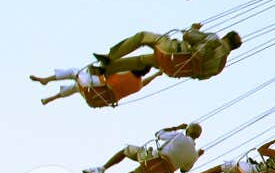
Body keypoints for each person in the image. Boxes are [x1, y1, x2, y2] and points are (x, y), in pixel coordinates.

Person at [83, 122, 203, 173]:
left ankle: (102, 169)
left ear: (187, 130)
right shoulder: (194, 155)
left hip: (151, 160)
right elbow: (183, 170)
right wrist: (198, 155)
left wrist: (176, 127)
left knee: (127, 150)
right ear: (197, 137)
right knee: (138, 172)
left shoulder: (179, 136)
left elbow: (158, 134)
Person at [94, 24, 241, 81]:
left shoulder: (214, 39)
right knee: (142, 60)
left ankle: (110, 57)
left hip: (173, 52)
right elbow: (201, 77)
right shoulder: (220, 67)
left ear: (226, 36)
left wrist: (194, 29)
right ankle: (105, 70)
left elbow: (187, 36)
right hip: (174, 69)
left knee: (143, 36)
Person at [32, 64, 157, 108]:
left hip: (94, 89)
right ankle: (50, 99)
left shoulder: (125, 71)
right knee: (76, 86)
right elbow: (144, 83)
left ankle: (46, 80)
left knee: (74, 72)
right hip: (96, 100)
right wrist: (157, 74)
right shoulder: (138, 85)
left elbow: (107, 70)